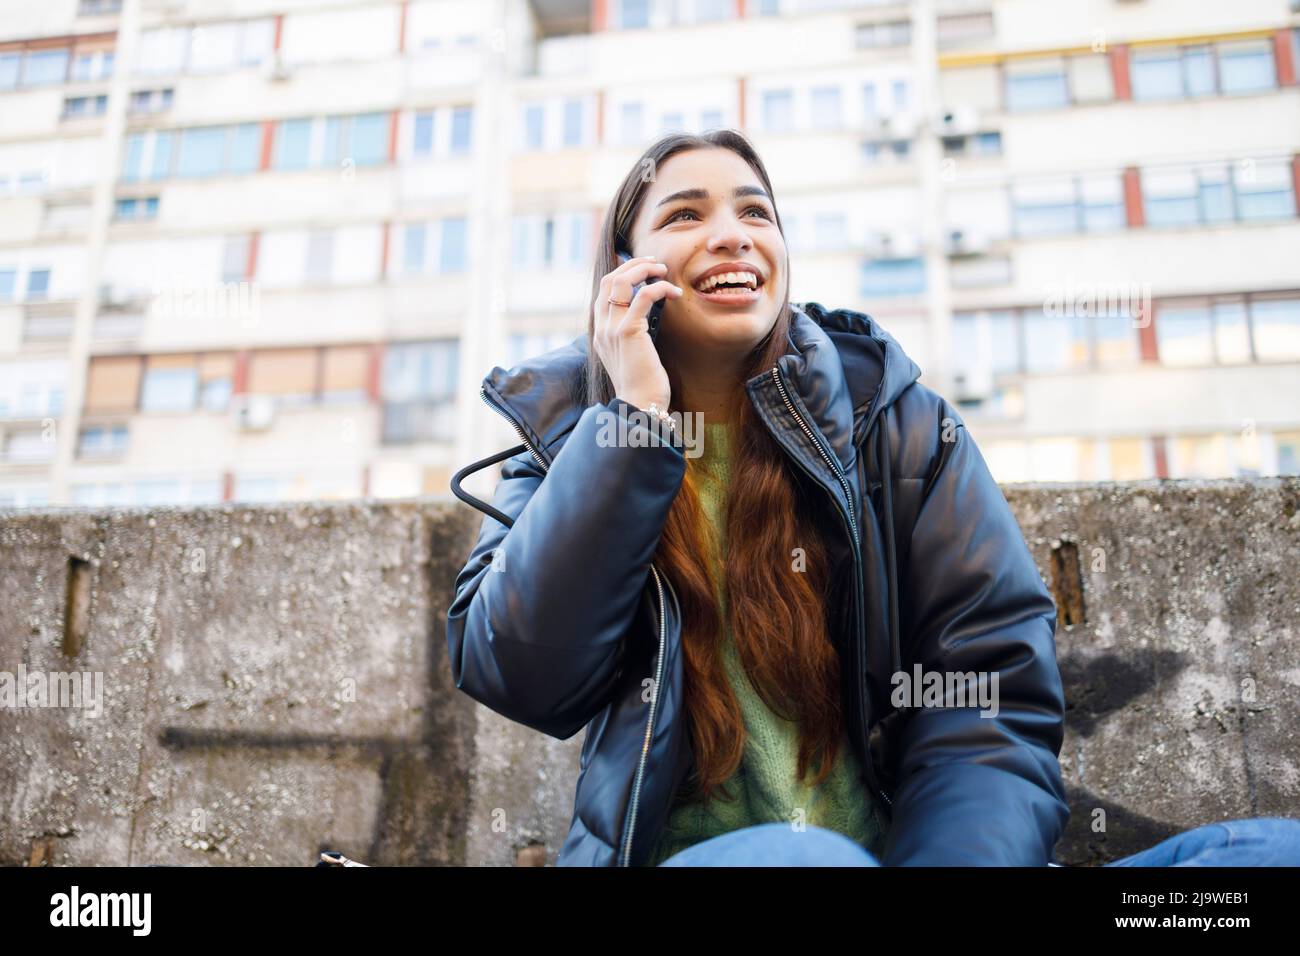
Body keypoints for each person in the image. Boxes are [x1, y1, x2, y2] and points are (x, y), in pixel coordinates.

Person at [445, 129, 1300, 867]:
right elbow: (520, 674)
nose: (732, 234)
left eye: (756, 213)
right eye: (684, 215)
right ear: (627, 271)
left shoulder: (896, 424)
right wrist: (630, 427)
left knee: (1265, 856)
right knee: (800, 856)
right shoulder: (566, 445)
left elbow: (987, 694)